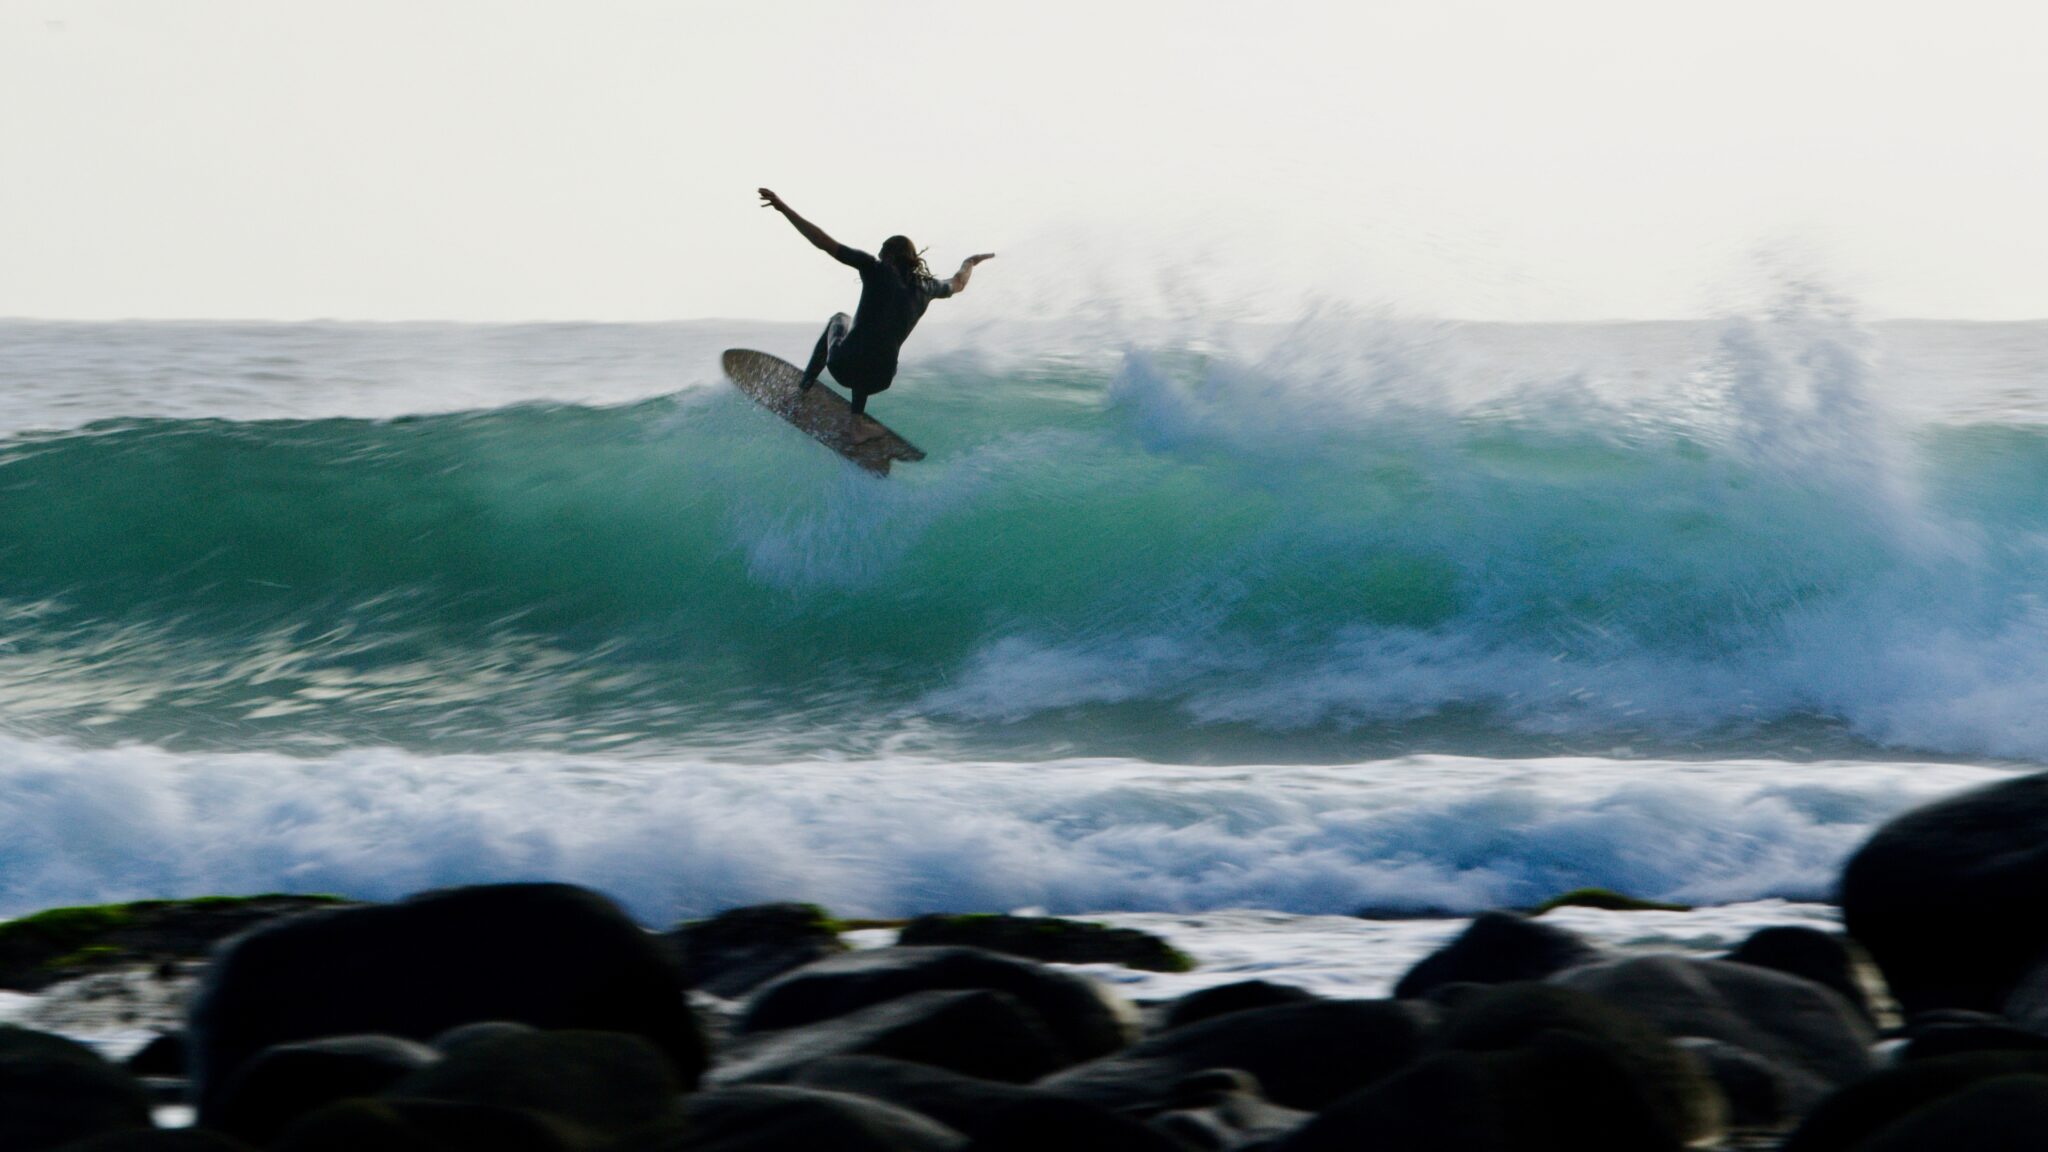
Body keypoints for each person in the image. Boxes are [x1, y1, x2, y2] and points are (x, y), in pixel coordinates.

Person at [759, 188, 993, 443]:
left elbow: (824, 242)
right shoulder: (928, 288)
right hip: (881, 379)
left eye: (882, 252)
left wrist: (784, 209)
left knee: (840, 319)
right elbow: (959, 283)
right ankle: (856, 422)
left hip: (843, 365)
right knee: (876, 342)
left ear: (890, 256)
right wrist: (969, 262)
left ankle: (800, 392)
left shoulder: (875, 268)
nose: (879, 255)